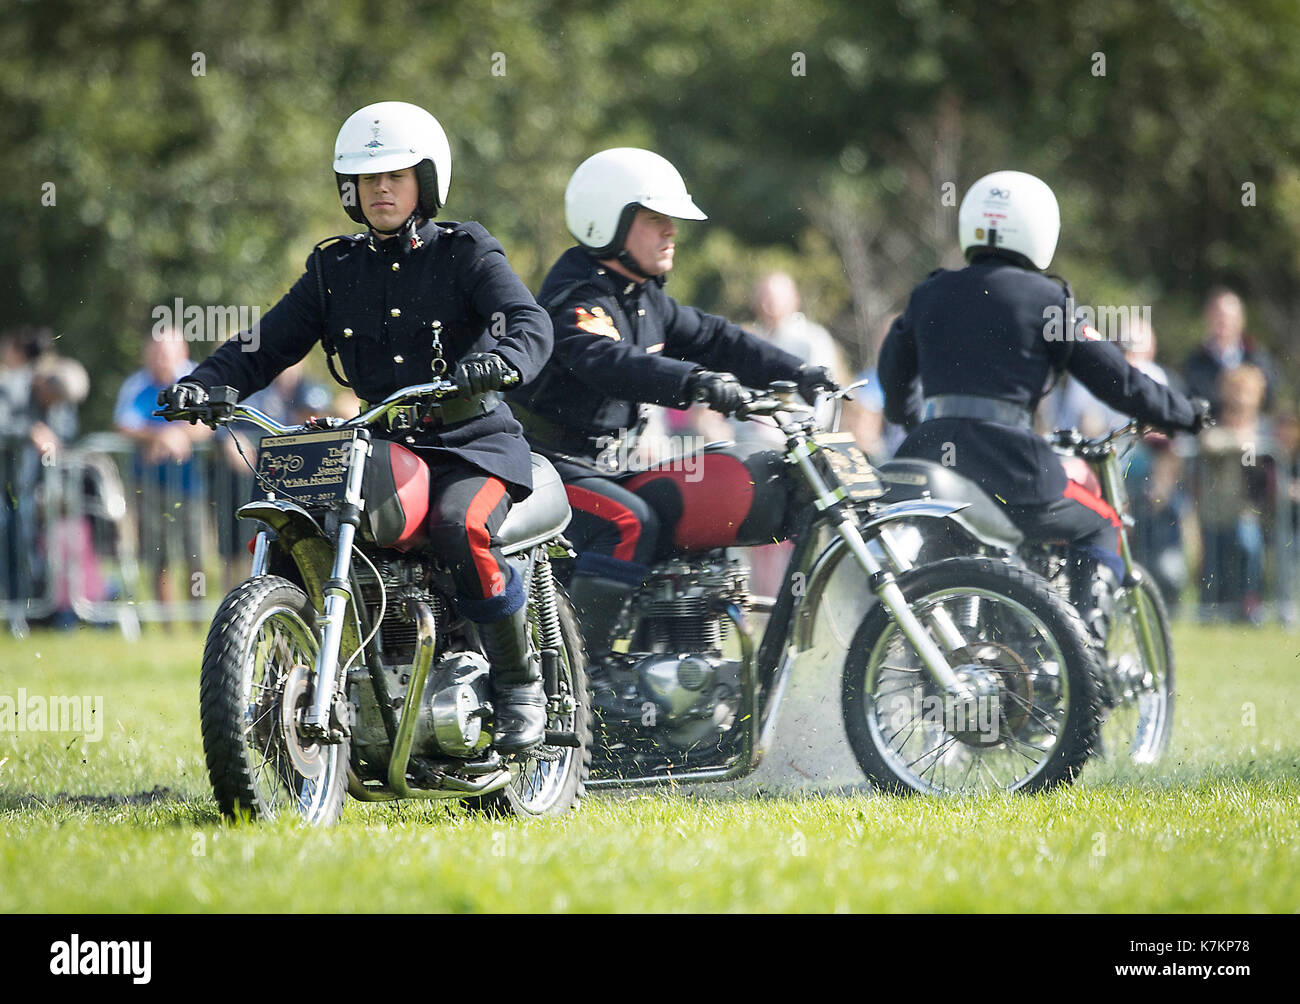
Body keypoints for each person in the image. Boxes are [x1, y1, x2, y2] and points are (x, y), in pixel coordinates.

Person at [158, 101, 554, 752]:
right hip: (385, 445)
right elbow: (263, 345)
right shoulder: (334, 269)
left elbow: (527, 321)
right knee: (300, 528)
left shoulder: (466, 251)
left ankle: (518, 688)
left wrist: (500, 362)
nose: (382, 189)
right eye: (368, 179)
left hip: (470, 447)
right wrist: (202, 383)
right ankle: (305, 685)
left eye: (396, 175)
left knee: (460, 525)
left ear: (425, 181)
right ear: (350, 189)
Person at [507, 147, 837, 655]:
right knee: (629, 521)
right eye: (656, 219)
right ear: (607, 222)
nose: (671, 232)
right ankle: (578, 681)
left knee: (698, 512)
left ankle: (676, 673)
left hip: (612, 466)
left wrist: (798, 372)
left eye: (671, 221)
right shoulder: (577, 296)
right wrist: (695, 383)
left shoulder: (644, 295)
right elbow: (607, 361)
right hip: (548, 469)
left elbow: (718, 338)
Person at [878, 170, 1210, 641]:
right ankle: (1084, 650)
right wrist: (1183, 412)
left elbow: (892, 376)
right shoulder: (1046, 298)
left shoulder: (929, 291)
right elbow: (1118, 380)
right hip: (1009, 467)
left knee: (938, 566)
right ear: (1039, 229)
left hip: (927, 462)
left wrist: (915, 419)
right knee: (1101, 520)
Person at [115, 330, 210, 613]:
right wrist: (160, 437)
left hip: (191, 486)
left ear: (182, 352)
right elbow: (124, 424)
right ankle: (165, 619)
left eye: (166, 353)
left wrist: (179, 435)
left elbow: (208, 425)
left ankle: (197, 618)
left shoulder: (198, 378)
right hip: (150, 486)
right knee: (159, 556)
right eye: (155, 353)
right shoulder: (136, 384)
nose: (160, 360)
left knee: (197, 556)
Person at [1184, 288, 1279, 419]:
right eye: (1218, 316)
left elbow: (1270, 392)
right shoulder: (1196, 361)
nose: (1224, 322)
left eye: (1229, 317)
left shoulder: (1257, 356)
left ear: (1240, 319)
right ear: (1208, 318)